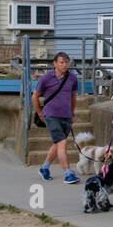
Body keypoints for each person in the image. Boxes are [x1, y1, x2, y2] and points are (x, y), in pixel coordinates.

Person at [33, 52, 80, 184]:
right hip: (51, 115)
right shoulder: (46, 78)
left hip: (66, 115)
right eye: (61, 62)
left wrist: (72, 113)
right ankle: (68, 173)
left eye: (66, 62)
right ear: (54, 63)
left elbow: (73, 96)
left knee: (58, 143)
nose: (65, 65)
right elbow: (35, 96)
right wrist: (40, 112)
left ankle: (44, 168)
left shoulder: (72, 78)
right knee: (62, 143)